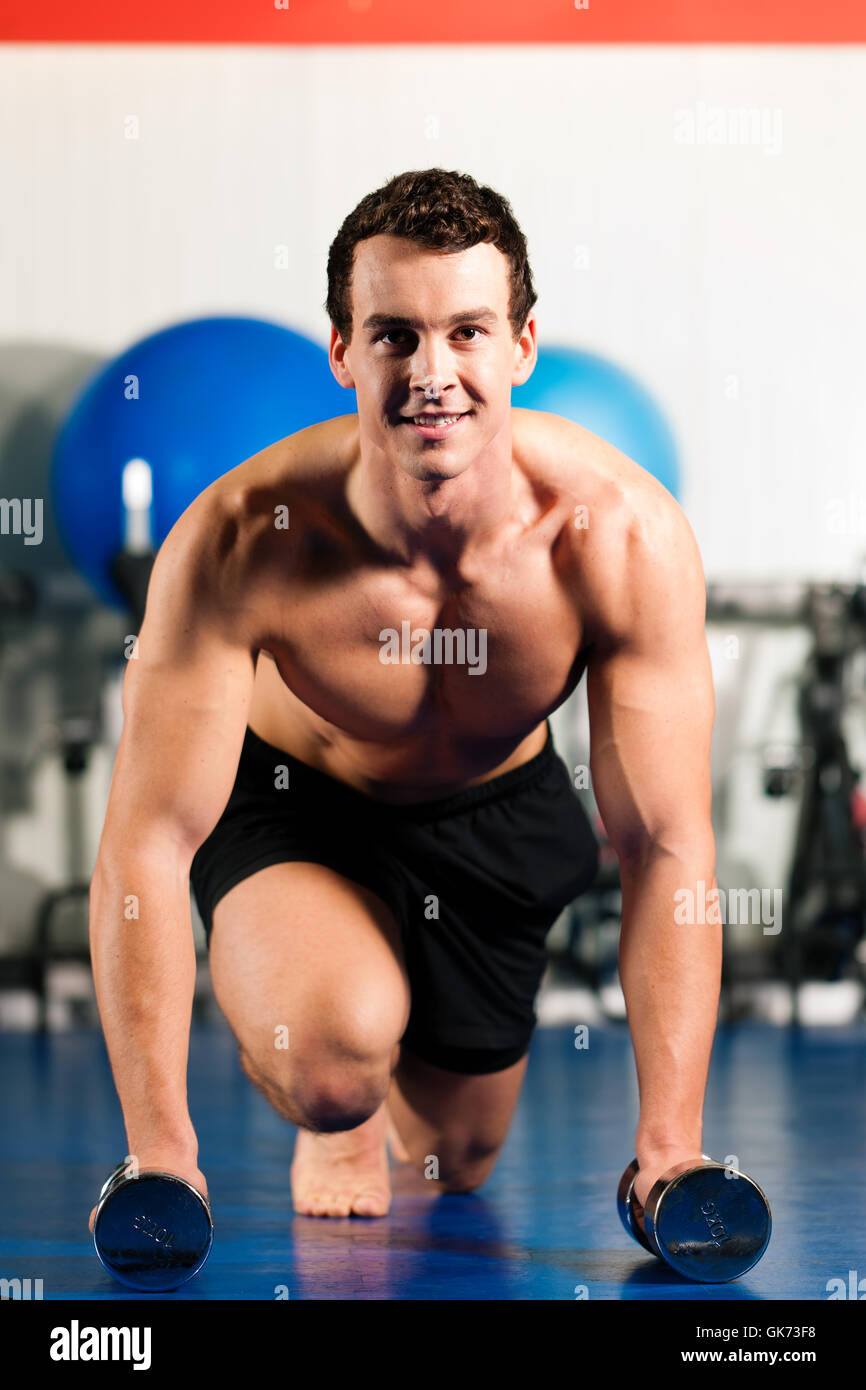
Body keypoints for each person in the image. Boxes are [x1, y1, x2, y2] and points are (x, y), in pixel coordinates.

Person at [89, 168, 718, 1226]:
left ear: (522, 344)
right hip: (302, 804)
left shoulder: (617, 538)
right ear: (339, 349)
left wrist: (669, 1153)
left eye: (467, 331)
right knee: (337, 1061)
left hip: (494, 818)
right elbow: (142, 846)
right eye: (393, 335)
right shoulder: (240, 538)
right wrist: (161, 1159)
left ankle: (394, 1098)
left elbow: (666, 844)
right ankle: (335, 1109)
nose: (432, 373)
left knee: (456, 1162)